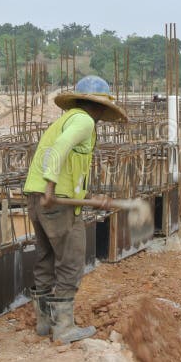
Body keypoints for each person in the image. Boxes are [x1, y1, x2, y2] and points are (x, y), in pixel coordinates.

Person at [23, 75, 128, 343]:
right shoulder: (83, 121)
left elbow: (66, 160)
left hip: (37, 197)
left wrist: (83, 194)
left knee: (45, 257)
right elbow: (59, 148)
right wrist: (51, 187)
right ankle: (64, 328)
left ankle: (44, 323)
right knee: (70, 259)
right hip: (54, 200)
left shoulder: (66, 119)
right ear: (100, 106)